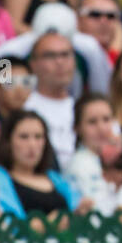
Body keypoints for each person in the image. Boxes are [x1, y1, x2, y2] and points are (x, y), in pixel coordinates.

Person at [0, 110, 84, 220]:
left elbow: (76, 208)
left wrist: (81, 211)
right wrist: (44, 225)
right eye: (24, 137)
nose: (32, 145)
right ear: (8, 141)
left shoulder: (56, 179)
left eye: (38, 137)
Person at [24, 30, 80, 169]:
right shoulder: (24, 108)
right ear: (33, 64)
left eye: (65, 54)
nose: (60, 62)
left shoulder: (85, 108)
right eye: (50, 56)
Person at [65, 91, 122, 215]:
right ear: (77, 128)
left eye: (106, 120)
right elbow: (100, 213)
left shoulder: (117, 160)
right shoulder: (79, 165)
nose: (101, 128)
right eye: (92, 122)